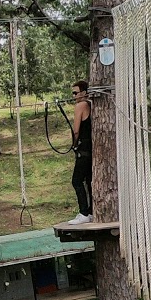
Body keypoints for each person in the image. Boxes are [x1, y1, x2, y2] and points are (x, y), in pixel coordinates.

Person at [68, 80, 92, 225]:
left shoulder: (81, 105)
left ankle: (84, 213)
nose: (74, 96)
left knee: (76, 181)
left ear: (83, 93)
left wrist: (74, 144)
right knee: (88, 180)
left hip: (83, 148)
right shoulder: (91, 104)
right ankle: (91, 211)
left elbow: (76, 130)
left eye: (75, 93)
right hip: (91, 148)